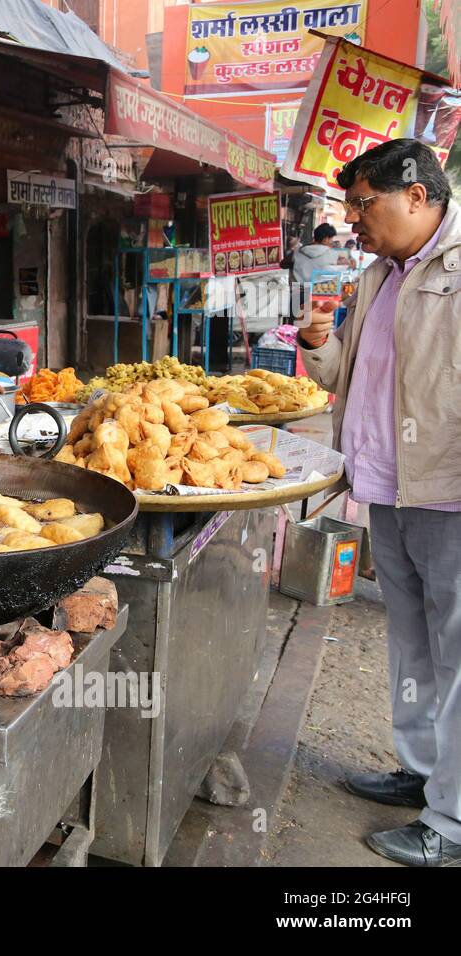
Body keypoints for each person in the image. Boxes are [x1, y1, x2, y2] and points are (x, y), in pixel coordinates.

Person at [298, 137, 461, 866]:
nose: (354, 220)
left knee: (457, 654)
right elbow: (349, 375)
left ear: (418, 197)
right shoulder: (378, 274)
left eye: (364, 205)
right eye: (351, 207)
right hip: (387, 488)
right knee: (414, 643)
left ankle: (453, 824)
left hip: (450, 491)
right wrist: (315, 345)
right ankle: (424, 772)